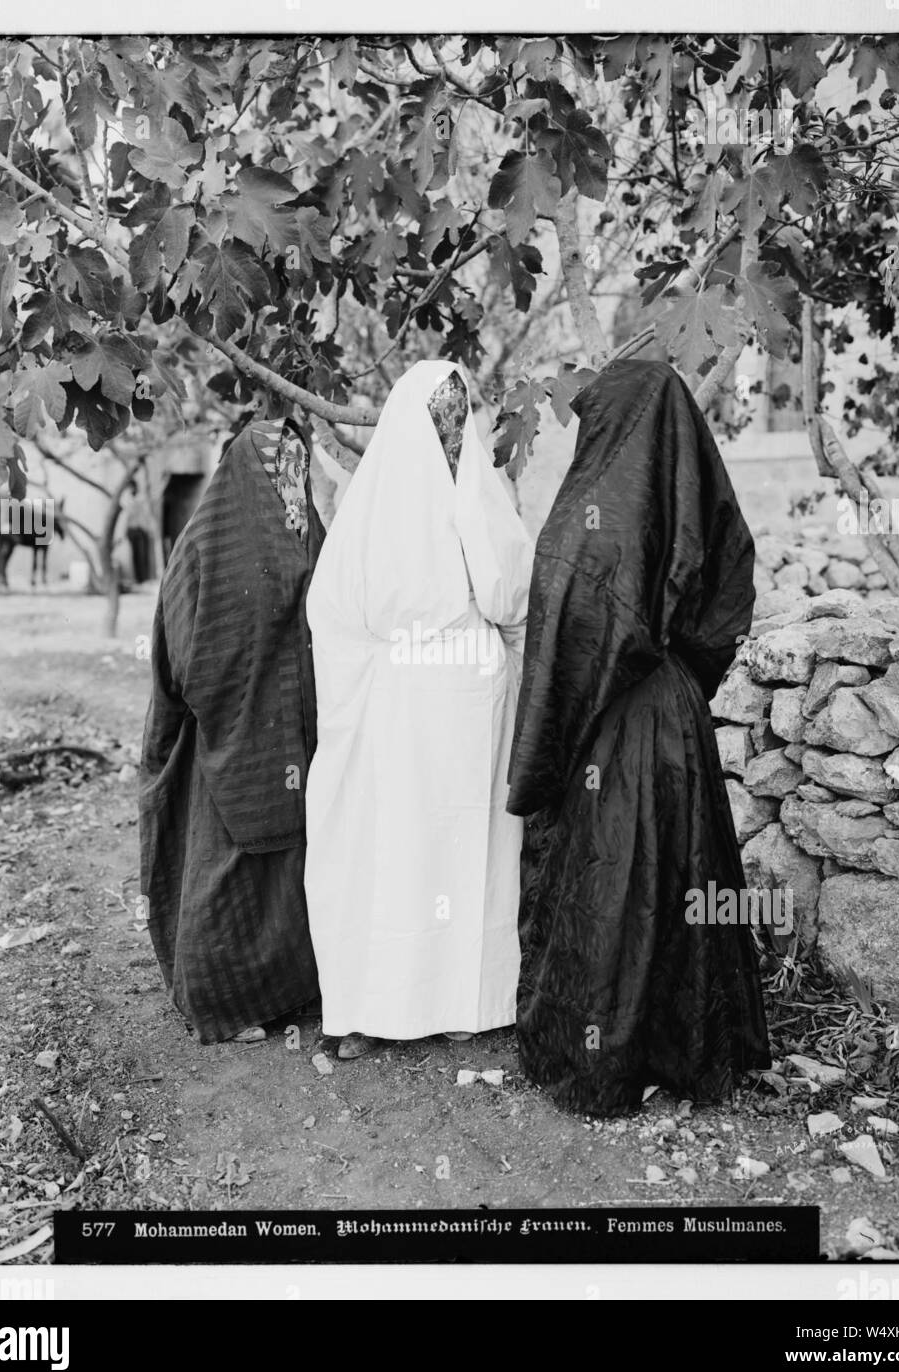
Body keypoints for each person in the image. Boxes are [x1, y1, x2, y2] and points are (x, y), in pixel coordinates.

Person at [506, 358, 771, 1116]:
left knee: (610, 887)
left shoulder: (592, 511)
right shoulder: (683, 492)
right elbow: (728, 586)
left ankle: (606, 1056)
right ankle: (689, 1052)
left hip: (608, 733)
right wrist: (683, 673)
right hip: (675, 722)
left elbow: (570, 640)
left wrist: (546, 753)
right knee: (681, 886)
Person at [304, 360, 532, 1059]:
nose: (449, 430)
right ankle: (456, 1002)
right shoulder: (475, 489)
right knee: (452, 847)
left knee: (387, 849)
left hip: (397, 707)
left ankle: (378, 1008)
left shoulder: (373, 498)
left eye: (451, 416)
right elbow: (507, 593)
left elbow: (330, 612)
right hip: (452, 699)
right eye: (447, 418)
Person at [138, 415, 324, 1043]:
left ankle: (291, 990)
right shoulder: (204, 546)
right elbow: (189, 648)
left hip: (298, 733)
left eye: (298, 468)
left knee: (292, 868)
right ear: (249, 469)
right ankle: (221, 1000)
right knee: (228, 872)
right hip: (229, 736)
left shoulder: (312, 534)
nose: (291, 480)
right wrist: (237, 706)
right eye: (279, 468)